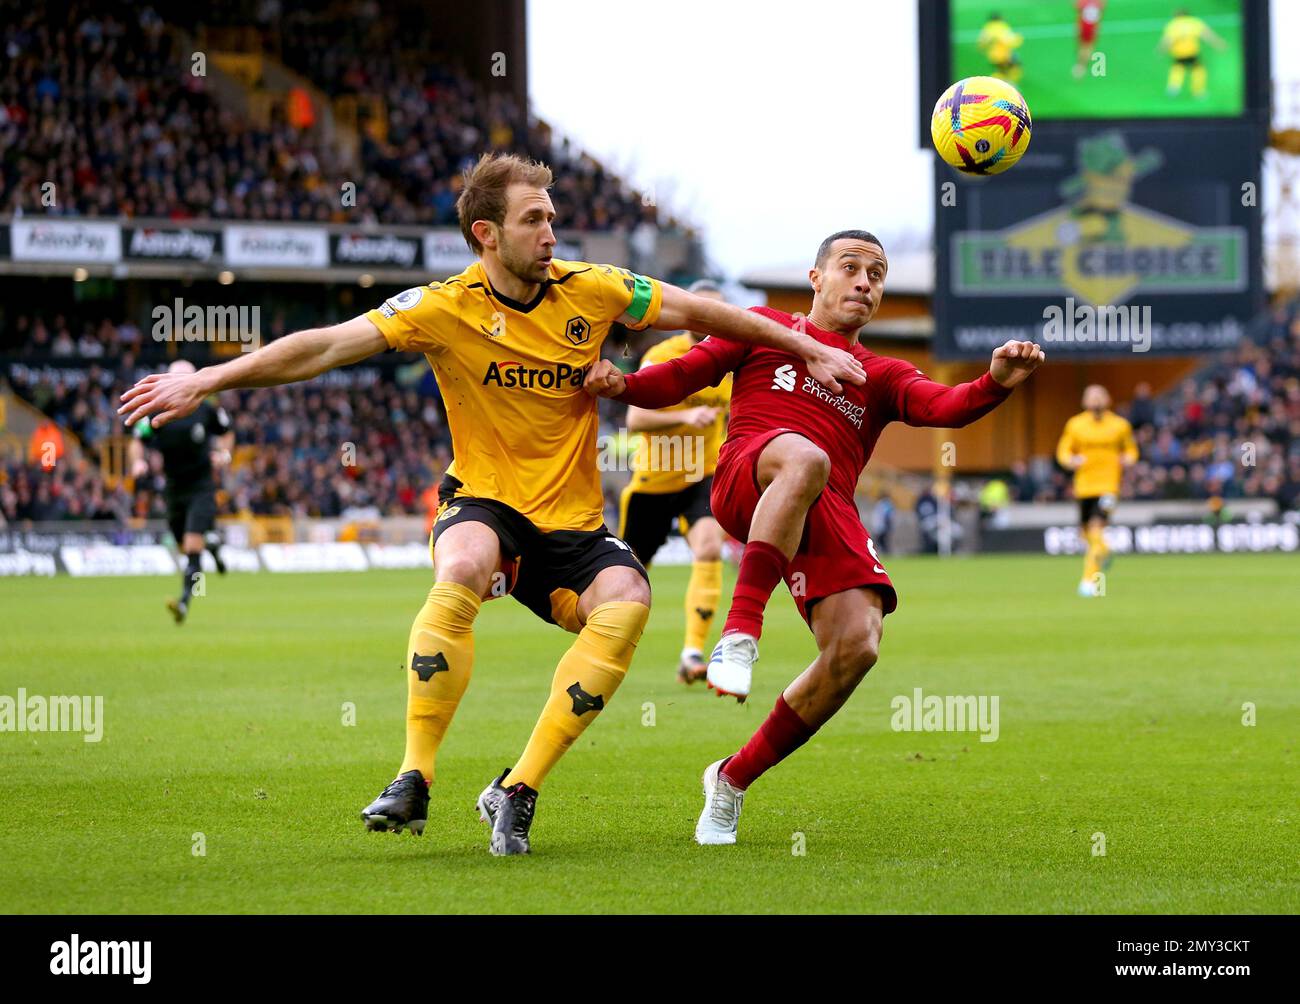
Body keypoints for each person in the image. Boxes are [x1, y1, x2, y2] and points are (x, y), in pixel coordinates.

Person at [118, 153, 864, 856]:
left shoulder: (596, 288)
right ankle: (414, 775)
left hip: (571, 521)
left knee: (630, 597)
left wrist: (804, 346)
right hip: (481, 499)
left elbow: (714, 313)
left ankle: (519, 788)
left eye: (551, 217)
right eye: (534, 220)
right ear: (487, 234)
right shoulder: (440, 308)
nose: (550, 233)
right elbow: (322, 347)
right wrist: (209, 379)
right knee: (466, 564)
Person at [584, 230, 1044, 843]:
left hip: (825, 509)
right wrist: (624, 387)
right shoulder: (761, 328)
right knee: (805, 458)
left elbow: (947, 406)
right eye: (850, 268)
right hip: (749, 474)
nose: (865, 282)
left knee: (858, 646)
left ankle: (731, 779)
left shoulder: (880, 374)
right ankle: (739, 633)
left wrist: (995, 381)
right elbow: (681, 377)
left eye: (876, 274)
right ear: (816, 278)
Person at [618, 279, 732, 685]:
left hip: (701, 477)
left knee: (709, 548)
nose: (713, 316)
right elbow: (636, 418)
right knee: (628, 577)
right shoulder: (663, 356)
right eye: (704, 307)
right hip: (654, 482)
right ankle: (607, 647)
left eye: (720, 309)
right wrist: (683, 417)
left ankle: (693, 653)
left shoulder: (730, 362)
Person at [128, 360, 233, 624]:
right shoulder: (156, 414)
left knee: (192, 546)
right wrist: (137, 461)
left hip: (202, 487)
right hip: (174, 489)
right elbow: (137, 441)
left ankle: (184, 601)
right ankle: (212, 545)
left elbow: (227, 431)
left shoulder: (207, 410)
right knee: (184, 546)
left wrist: (223, 452)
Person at [1054, 384, 1138, 597]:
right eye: (1092, 396)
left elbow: (1131, 450)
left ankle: (1089, 580)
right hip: (1084, 487)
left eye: (1100, 395)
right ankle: (1105, 550)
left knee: (1096, 529)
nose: (1096, 399)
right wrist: (1070, 460)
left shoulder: (1120, 425)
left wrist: (1128, 459)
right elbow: (1063, 450)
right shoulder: (1075, 425)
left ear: (1108, 399)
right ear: (1085, 401)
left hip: (1108, 486)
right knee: (1086, 535)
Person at [1159, 7, 1227, 99]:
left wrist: (1162, 49)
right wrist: (1218, 43)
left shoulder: (1173, 24)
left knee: (1177, 69)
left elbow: (1168, 39)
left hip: (1179, 53)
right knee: (1198, 70)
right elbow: (1207, 35)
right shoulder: (1194, 22)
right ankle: (1199, 92)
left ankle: (1173, 88)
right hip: (1192, 52)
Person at [977, 11, 1024, 82]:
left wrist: (984, 47)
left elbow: (982, 42)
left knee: (1001, 70)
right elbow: (1008, 40)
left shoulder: (988, 27)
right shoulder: (1002, 26)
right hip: (1005, 54)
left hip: (993, 56)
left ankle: (999, 82)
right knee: (1014, 68)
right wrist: (1018, 39)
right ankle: (1009, 84)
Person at [1073, 0, 1107, 79]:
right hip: (1090, 26)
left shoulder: (1084, 2)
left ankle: (1081, 65)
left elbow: (1077, 9)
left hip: (1085, 25)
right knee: (1088, 47)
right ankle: (1082, 65)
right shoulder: (1097, 2)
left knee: (1083, 46)